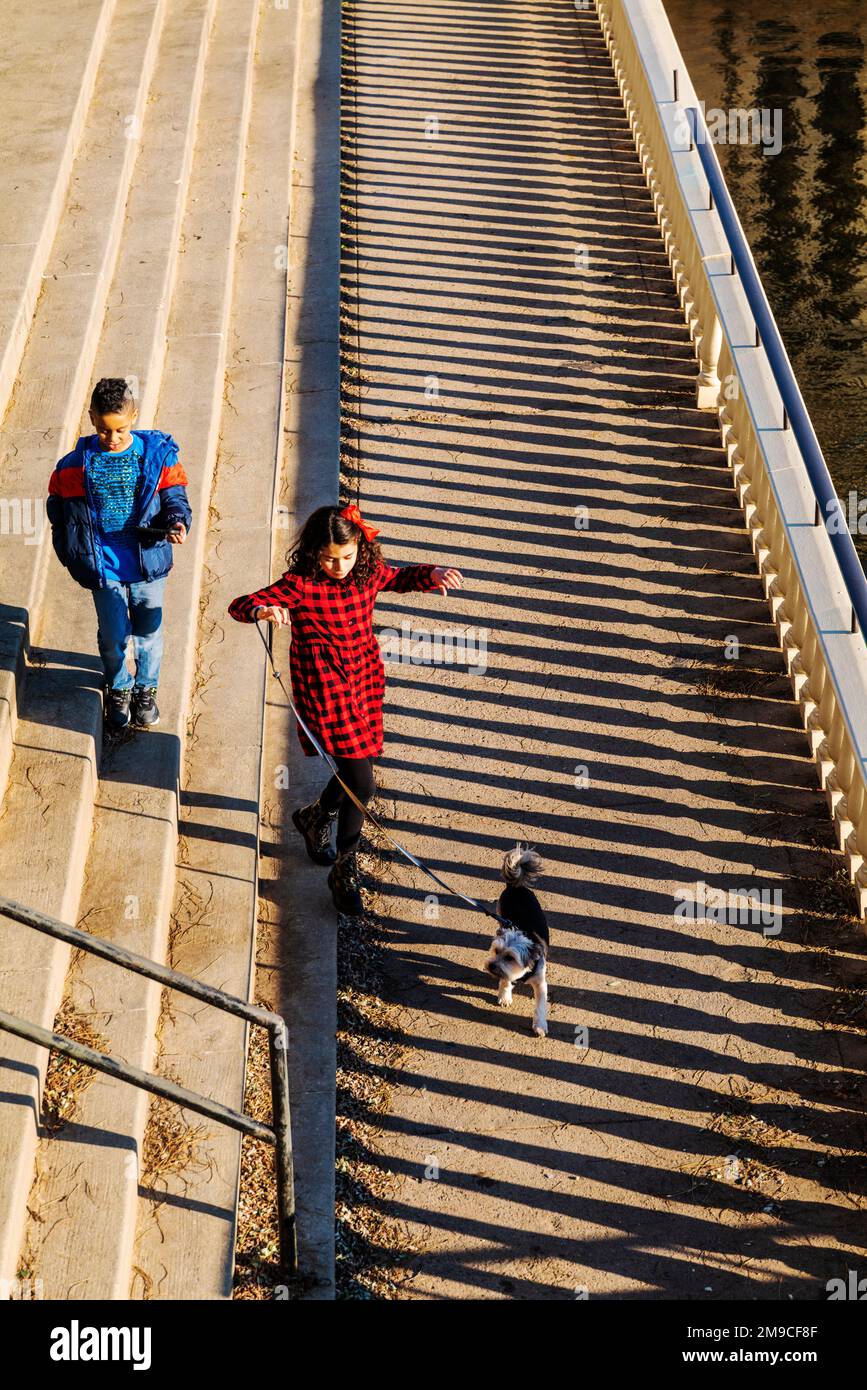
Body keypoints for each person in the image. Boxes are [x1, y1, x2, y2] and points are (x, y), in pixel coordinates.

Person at [228, 502, 463, 914]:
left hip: (363, 679)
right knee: (363, 781)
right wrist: (263, 610)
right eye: (330, 558)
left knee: (358, 770)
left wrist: (430, 575)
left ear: (360, 549)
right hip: (324, 690)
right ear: (314, 552)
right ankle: (345, 866)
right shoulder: (301, 584)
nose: (340, 566)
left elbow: (398, 577)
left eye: (348, 556)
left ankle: (316, 816)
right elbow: (241, 603)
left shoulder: (367, 572)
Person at [46, 377, 191, 729]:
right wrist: (70, 553)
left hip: (147, 563)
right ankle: (120, 684)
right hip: (102, 566)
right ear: (93, 417)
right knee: (111, 634)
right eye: (105, 430)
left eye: (122, 430)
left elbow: (175, 496)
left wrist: (176, 520)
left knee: (148, 631)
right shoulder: (72, 466)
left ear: (135, 417)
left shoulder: (157, 456)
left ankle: (146, 687)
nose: (113, 439)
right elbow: (58, 511)